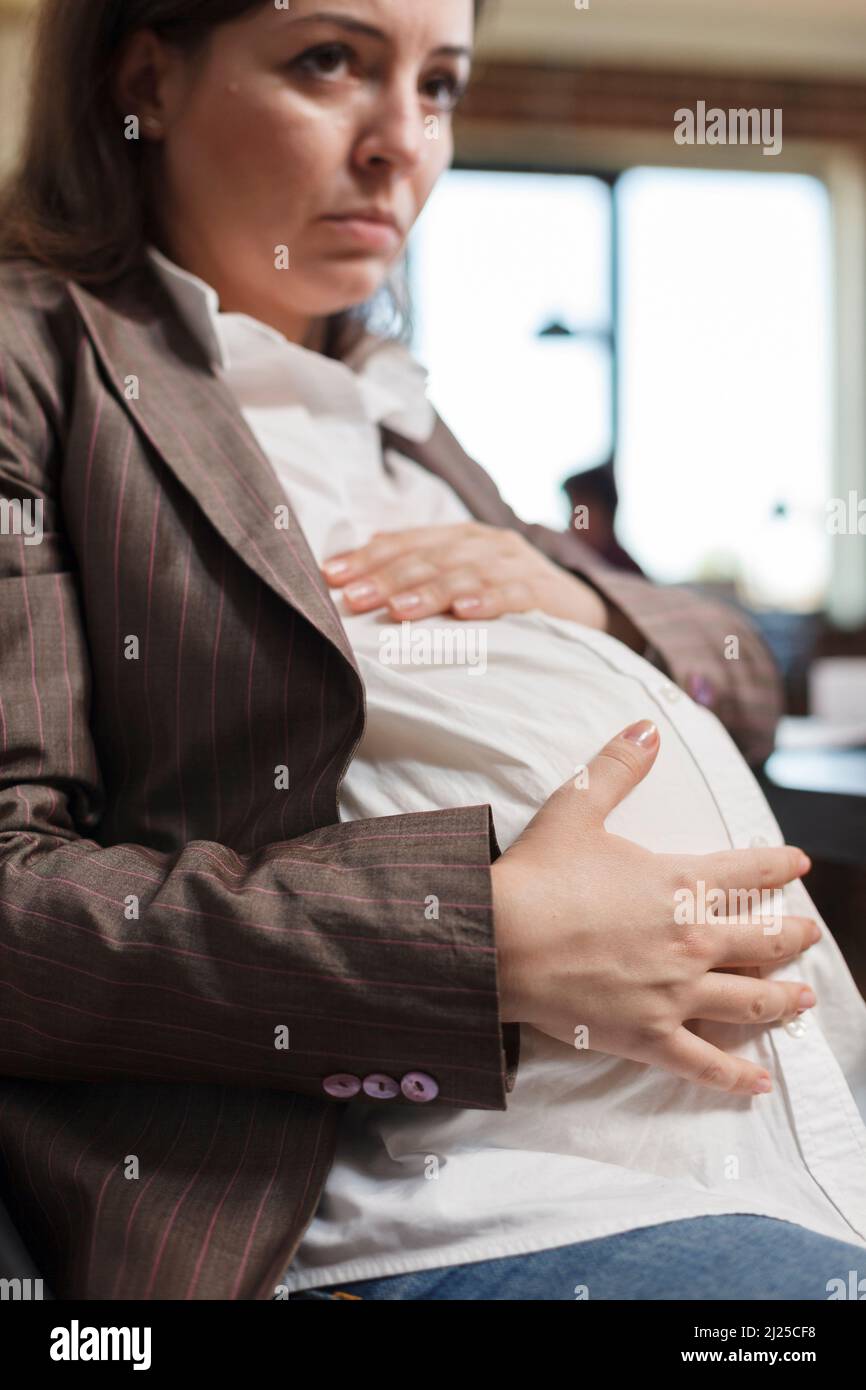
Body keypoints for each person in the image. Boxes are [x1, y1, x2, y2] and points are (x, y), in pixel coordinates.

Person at [0, 0, 863, 1303]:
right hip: (404, 1204)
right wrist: (475, 943)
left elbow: (732, 673)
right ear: (146, 80)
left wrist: (581, 601)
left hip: (754, 1159)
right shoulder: (38, 361)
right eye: (330, 62)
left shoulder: (399, 415)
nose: (401, 142)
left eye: (443, 84)